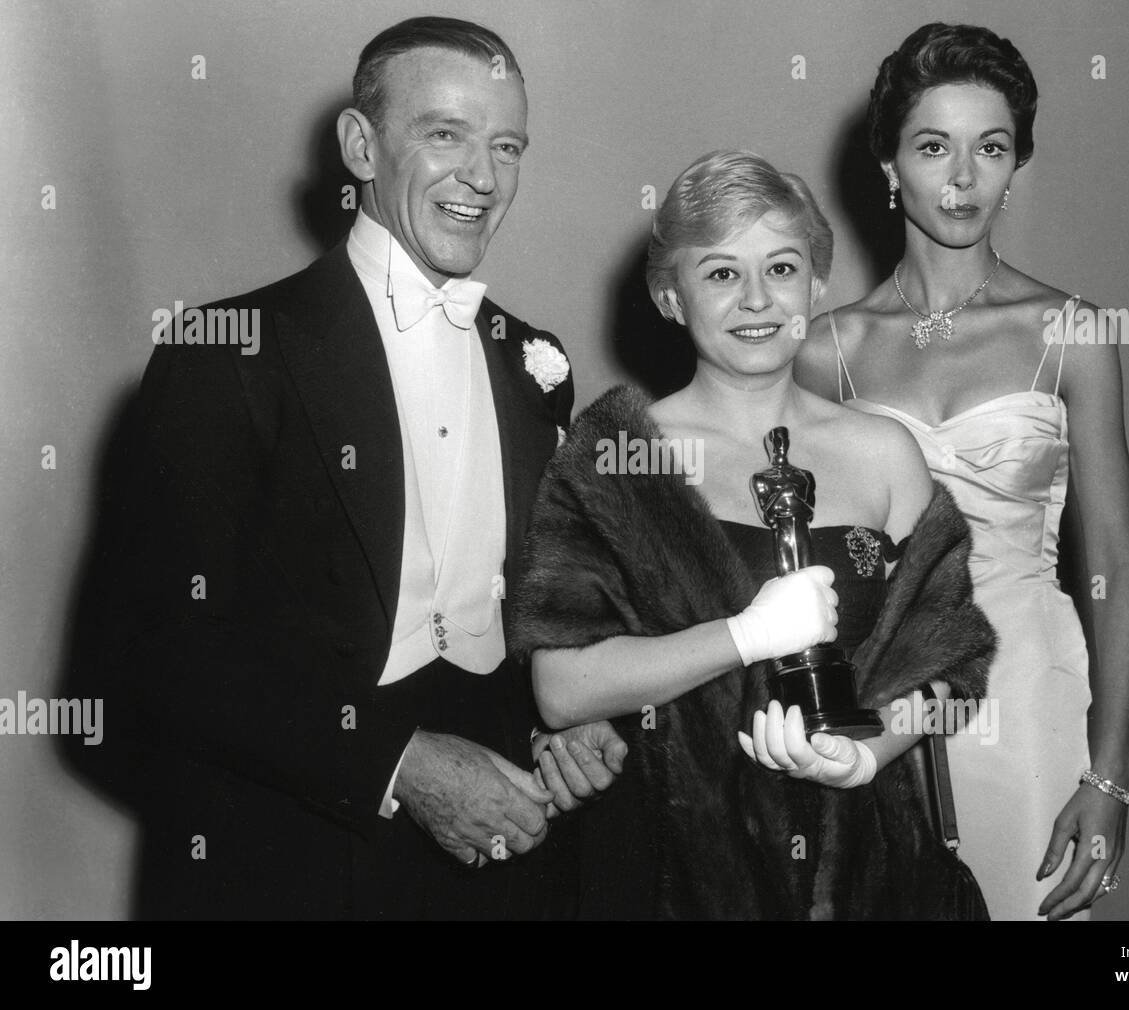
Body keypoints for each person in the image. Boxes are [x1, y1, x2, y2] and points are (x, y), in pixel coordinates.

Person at [74, 16, 624, 920]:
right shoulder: (228, 352)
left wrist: (570, 719)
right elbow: (156, 648)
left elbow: (530, 613)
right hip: (295, 862)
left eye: (507, 146)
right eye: (445, 134)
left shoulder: (535, 362)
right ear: (360, 146)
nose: (483, 178)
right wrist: (398, 764)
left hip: (507, 864)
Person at [510, 150, 997, 920]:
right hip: (677, 872)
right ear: (671, 297)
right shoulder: (615, 455)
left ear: (816, 284)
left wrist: (866, 755)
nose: (756, 299)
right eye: (720, 273)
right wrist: (743, 636)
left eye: (779, 267)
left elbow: (955, 667)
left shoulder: (885, 454)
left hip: (868, 870)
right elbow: (563, 689)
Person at [796, 22, 1129, 920]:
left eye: (990, 148)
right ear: (888, 165)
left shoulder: (1073, 332)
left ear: (1015, 162)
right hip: (882, 714)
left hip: (1030, 700)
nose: (962, 178)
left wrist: (1112, 775)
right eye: (932, 147)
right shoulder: (825, 350)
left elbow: (1113, 560)